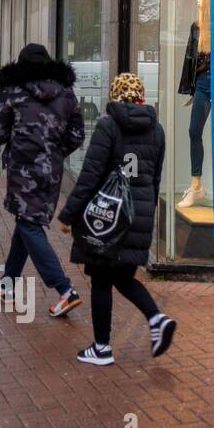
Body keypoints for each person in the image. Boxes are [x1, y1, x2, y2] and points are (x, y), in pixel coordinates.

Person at [57, 72, 177, 366]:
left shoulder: (108, 125)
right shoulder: (157, 130)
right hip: (138, 214)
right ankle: (156, 318)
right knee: (123, 276)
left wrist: (69, 214)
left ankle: (101, 348)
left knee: (101, 277)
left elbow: (90, 176)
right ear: (140, 95)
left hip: (108, 216)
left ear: (115, 95)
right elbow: (154, 179)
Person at [0, 44, 85, 317]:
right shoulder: (65, 93)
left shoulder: (13, 93)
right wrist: (53, 153)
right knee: (26, 221)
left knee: (29, 226)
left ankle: (64, 290)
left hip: (22, 170)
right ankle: (7, 284)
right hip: (51, 172)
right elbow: (77, 134)